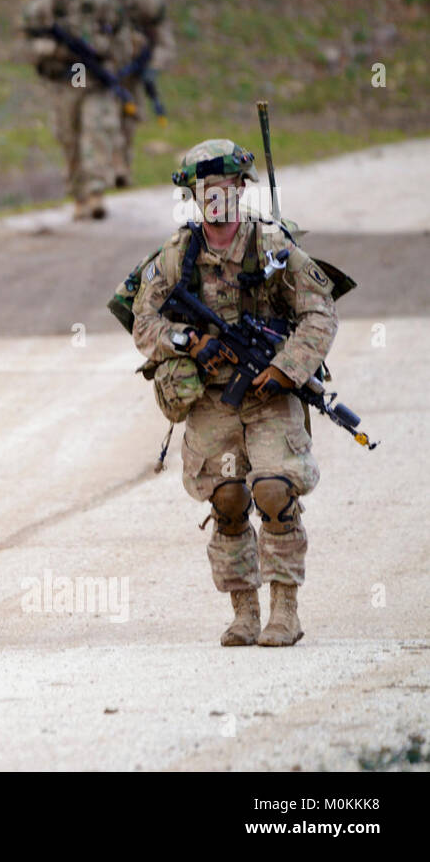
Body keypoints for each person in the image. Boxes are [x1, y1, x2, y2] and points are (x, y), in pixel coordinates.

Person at [131, 140, 338, 647]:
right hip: (210, 397)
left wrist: (287, 368)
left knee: (273, 491)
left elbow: (319, 311)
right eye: (207, 192)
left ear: (242, 190)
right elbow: (144, 320)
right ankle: (244, 611)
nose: (217, 200)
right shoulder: (177, 255)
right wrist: (188, 342)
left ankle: (284, 610)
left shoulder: (272, 247)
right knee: (227, 499)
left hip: (270, 392)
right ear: (194, 197)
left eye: (225, 189)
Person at [21, 0, 123, 221]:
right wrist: (55, 50)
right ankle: (78, 195)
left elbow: (116, 31)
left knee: (95, 132)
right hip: (63, 81)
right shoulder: (44, 4)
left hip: (93, 80)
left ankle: (96, 193)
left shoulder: (98, 0)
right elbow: (30, 43)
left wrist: (101, 47)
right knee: (69, 137)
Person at [91, 0, 176, 187]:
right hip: (105, 69)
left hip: (134, 72)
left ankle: (123, 171)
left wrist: (153, 68)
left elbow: (163, 37)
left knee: (129, 122)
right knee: (105, 120)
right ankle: (109, 169)